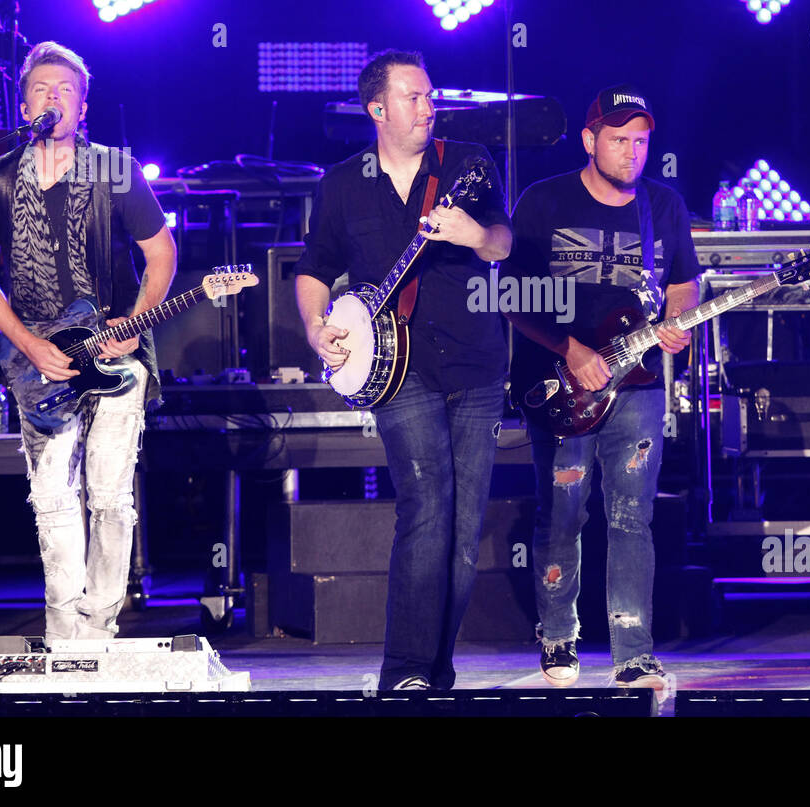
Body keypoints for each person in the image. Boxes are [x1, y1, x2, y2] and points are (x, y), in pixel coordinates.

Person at [295, 49, 512, 691]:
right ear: (378, 109)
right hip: (396, 368)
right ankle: (406, 671)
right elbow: (312, 268)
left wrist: (471, 234)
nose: (427, 107)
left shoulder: (467, 163)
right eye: (413, 97)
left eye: (429, 95)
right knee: (425, 505)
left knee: (464, 529)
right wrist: (316, 328)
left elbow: (503, 242)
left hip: (475, 362)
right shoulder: (342, 183)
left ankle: (435, 671)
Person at [0, 41, 176, 642]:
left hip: (114, 351)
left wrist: (129, 325)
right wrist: (29, 345)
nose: (52, 98)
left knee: (109, 496)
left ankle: (100, 631)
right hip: (38, 359)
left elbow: (161, 256)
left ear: (83, 107)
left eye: (65, 90)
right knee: (53, 499)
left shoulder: (113, 168)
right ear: (22, 101)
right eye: (40, 89)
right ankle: (63, 637)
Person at [502, 85, 700, 689]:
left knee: (631, 517)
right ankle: (559, 639)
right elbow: (508, 297)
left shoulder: (663, 205)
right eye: (619, 140)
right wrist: (571, 350)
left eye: (641, 141)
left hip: (638, 385)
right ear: (590, 141)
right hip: (560, 383)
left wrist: (677, 327)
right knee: (562, 511)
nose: (632, 153)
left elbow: (684, 284)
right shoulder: (543, 201)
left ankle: (633, 652)